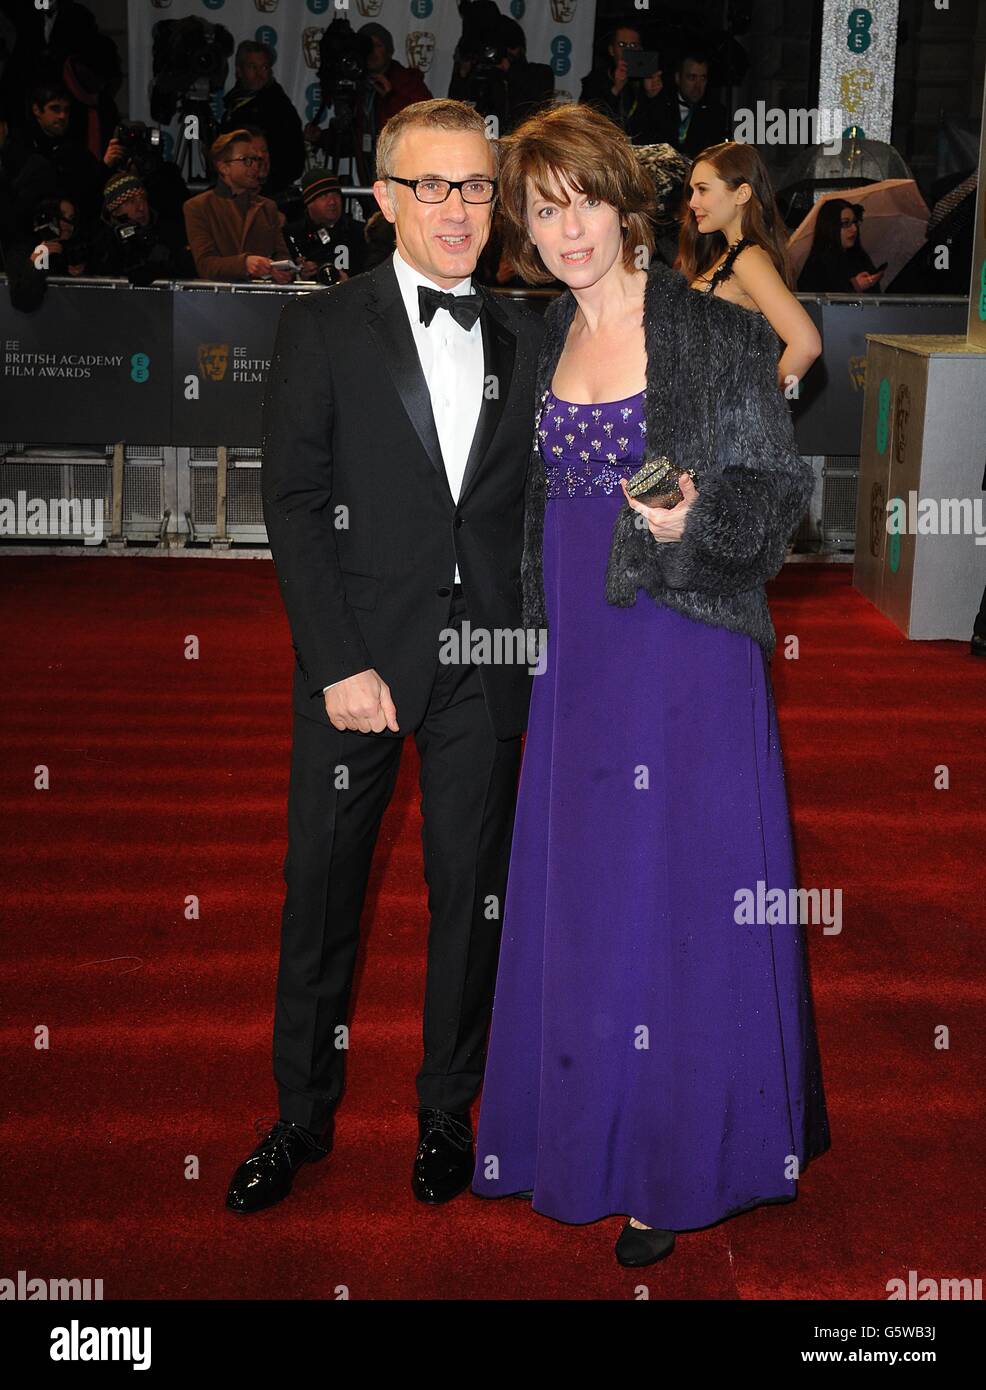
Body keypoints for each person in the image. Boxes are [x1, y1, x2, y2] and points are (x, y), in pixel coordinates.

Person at [471, 103, 830, 1267]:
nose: (564, 229)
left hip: (683, 644)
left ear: (628, 205)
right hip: (578, 654)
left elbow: (779, 499)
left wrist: (693, 520)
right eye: (540, 208)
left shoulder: (715, 336)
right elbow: (529, 514)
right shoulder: (538, 344)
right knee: (587, 892)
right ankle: (580, 1132)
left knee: (675, 889)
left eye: (581, 201)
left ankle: (671, 1162)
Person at [225, 98, 545, 1216]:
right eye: (432, 186)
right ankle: (300, 1115)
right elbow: (295, 503)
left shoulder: (528, 335)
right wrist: (334, 662)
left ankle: (446, 1108)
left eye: (476, 186)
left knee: (472, 894)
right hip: (355, 659)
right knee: (320, 893)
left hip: (486, 658)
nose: (458, 210)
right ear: (383, 197)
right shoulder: (322, 327)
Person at [680, 141, 822, 390]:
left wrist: (758, 406)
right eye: (692, 191)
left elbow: (806, 344)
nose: (692, 202)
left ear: (742, 194)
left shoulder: (748, 258)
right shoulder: (728, 255)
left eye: (702, 190)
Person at [182, 128, 292, 283]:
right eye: (247, 160)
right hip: (216, 301)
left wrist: (282, 271)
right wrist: (244, 264)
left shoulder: (267, 207)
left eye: (256, 159)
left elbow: (282, 255)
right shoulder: (198, 207)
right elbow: (205, 265)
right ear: (224, 167)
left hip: (261, 300)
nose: (255, 166)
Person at [219, 41, 304, 199]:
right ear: (239, 70)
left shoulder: (279, 107)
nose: (259, 74)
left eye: (264, 67)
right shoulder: (235, 104)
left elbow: (294, 162)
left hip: (264, 195)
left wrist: (262, 184)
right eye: (253, 67)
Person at [578, 23, 662, 144]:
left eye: (634, 45)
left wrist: (652, 96)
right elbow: (589, 121)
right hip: (605, 148)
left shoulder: (647, 79)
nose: (628, 50)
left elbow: (658, 129)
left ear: (640, 50)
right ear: (612, 50)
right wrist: (615, 89)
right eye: (622, 45)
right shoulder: (595, 80)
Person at [283, 169, 365, 285]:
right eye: (324, 196)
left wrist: (351, 281)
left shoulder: (360, 233)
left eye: (336, 195)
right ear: (309, 202)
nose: (332, 202)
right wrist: (299, 275)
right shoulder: (291, 235)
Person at [644, 48, 730, 157]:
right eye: (692, 78)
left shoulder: (715, 111)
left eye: (702, 78)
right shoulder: (660, 104)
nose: (698, 86)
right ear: (678, 78)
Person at [797, 197, 883, 295]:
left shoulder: (859, 257)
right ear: (830, 226)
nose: (854, 229)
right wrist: (855, 285)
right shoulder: (817, 264)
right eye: (846, 223)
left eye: (855, 222)